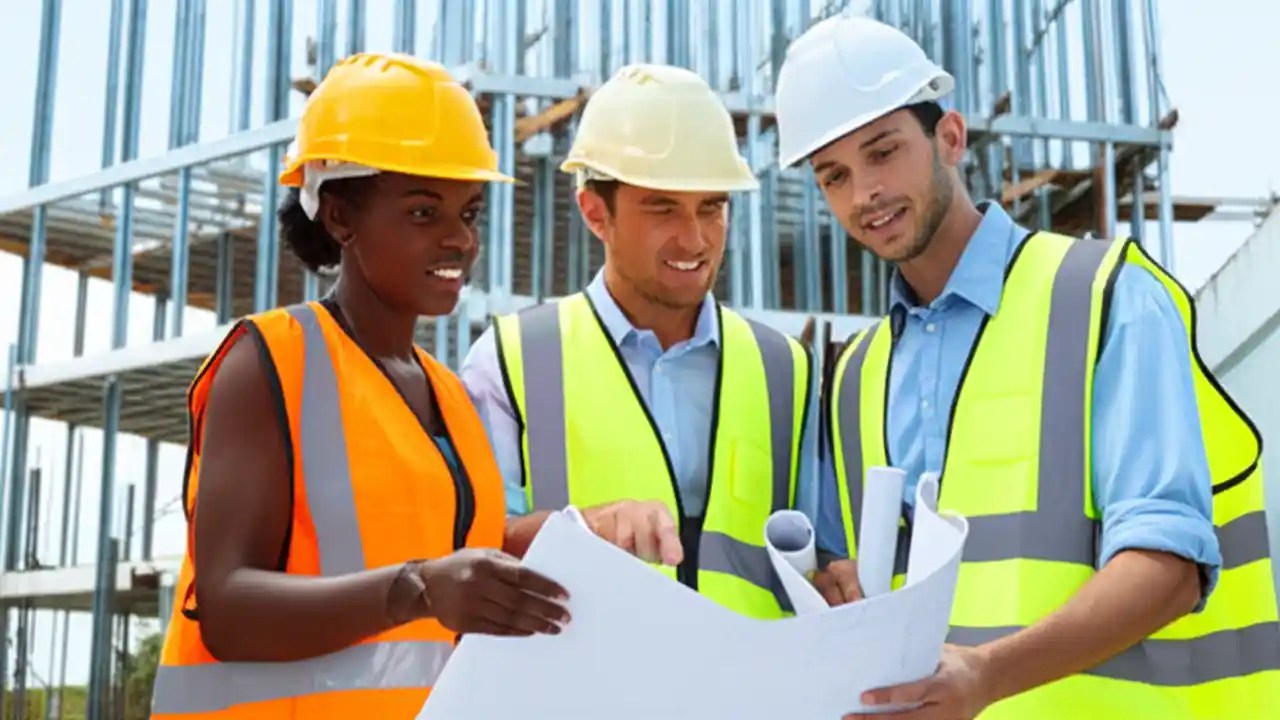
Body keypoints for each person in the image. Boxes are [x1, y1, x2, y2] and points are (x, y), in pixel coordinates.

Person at [773, 12, 1280, 720]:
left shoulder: (1104, 298)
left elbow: (1171, 569)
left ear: (950, 137)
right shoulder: (854, 375)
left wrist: (985, 674)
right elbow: (857, 578)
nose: (864, 194)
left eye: (883, 152)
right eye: (834, 176)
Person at [150, 53, 570, 718]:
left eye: (471, 212)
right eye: (424, 212)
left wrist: (543, 541)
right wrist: (417, 590)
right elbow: (227, 610)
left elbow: (429, 547)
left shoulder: (450, 398)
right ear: (341, 217)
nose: (460, 238)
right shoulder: (268, 362)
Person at [461, 63, 818, 620]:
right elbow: (472, 555)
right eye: (663, 208)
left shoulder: (787, 371)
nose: (695, 239)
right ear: (595, 212)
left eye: (712, 208)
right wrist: (583, 530)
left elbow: (820, 559)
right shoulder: (512, 361)